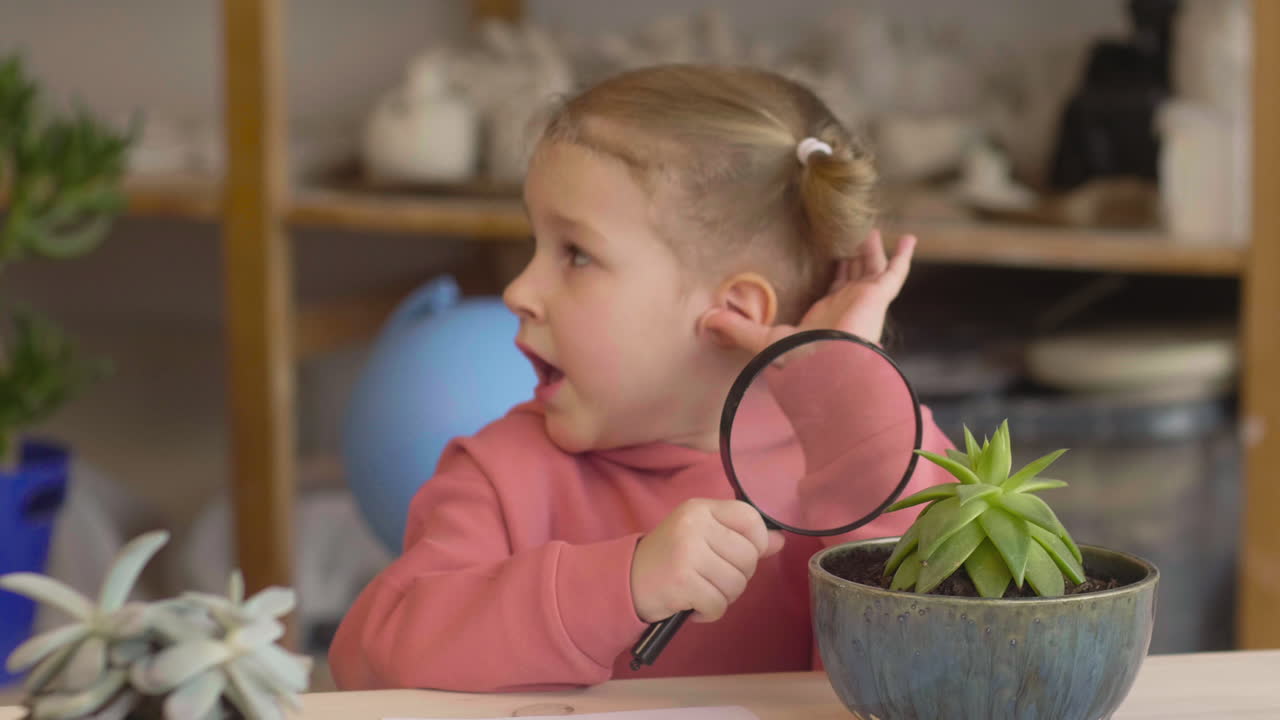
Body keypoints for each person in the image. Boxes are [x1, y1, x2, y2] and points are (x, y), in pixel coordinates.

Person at [329, 63, 956, 692]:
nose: (518, 290)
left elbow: (938, 668)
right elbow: (369, 659)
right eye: (535, 243)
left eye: (576, 254)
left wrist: (852, 395)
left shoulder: (873, 467)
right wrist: (620, 583)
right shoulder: (499, 473)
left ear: (732, 315)